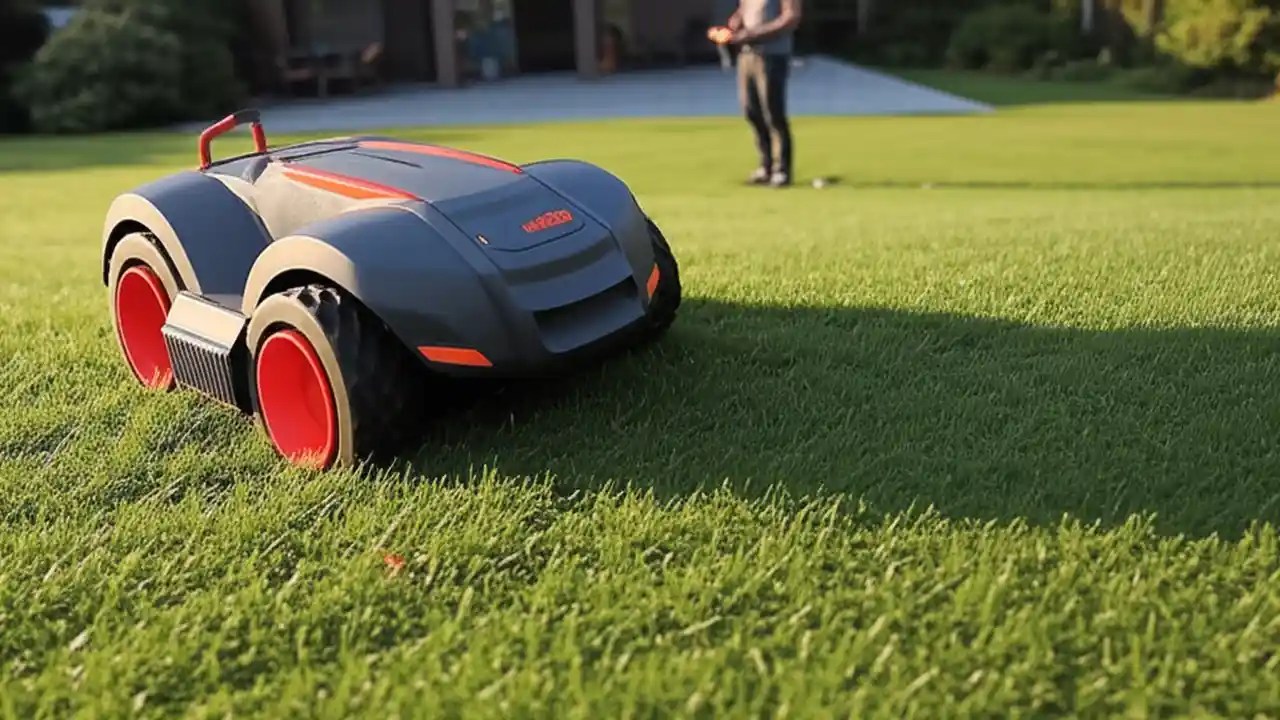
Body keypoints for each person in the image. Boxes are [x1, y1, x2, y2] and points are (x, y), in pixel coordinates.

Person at [711, 0, 803, 188]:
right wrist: (735, 23)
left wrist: (752, 34)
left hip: (772, 55)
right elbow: (745, 9)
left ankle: (782, 169)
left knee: (773, 113)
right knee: (751, 111)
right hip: (747, 53)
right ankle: (765, 165)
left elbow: (791, 18)